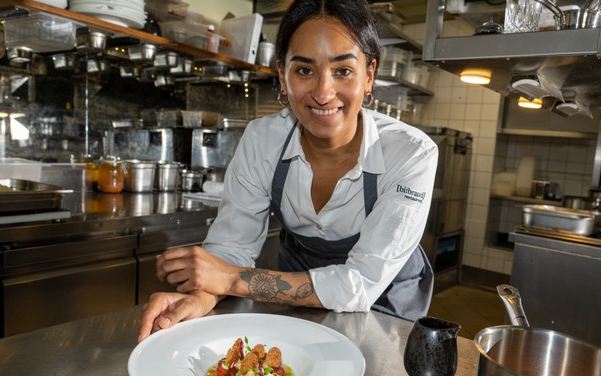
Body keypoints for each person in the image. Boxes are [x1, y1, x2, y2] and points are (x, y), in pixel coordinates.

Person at [138, 0, 438, 342]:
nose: (323, 94)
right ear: (282, 75)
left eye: (343, 70)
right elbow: (230, 251)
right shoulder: (262, 140)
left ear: (369, 75)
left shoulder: (411, 153)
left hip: (386, 302)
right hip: (298, 295)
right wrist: (197, 299)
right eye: (305, 70)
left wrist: (233, 280)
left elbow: (361, 283)